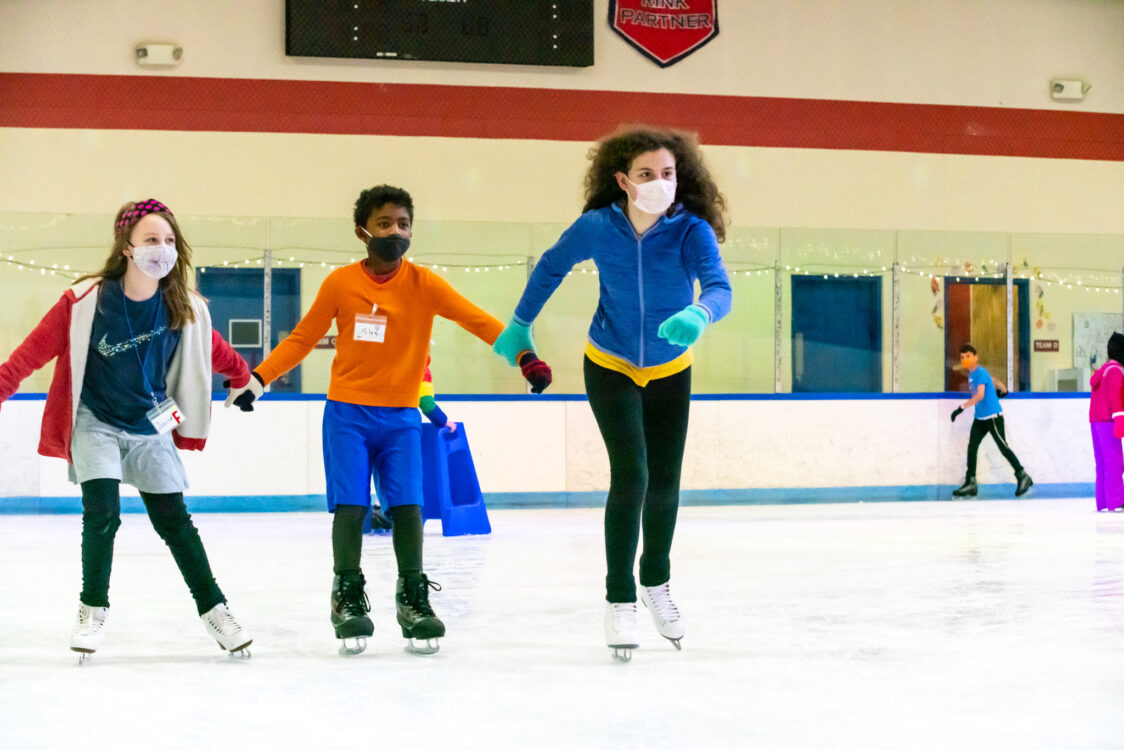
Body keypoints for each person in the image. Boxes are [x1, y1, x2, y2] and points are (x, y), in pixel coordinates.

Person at [225, 185, 551, 655]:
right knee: (352, 505)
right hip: (348, 414)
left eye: (403, 224)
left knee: (408, 507)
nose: (395, 232)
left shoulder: (424, 284)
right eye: (384, 224)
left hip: (400, 416)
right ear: (362, 232)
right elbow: (301, 338)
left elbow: (477, 321)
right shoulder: (340, 283)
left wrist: (524, 356)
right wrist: (258, 378)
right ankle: (347, 594)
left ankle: (412, 596)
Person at [492, 125, 732, 661]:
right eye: (646, 175)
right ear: (623, 180)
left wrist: (700, 312)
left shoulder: (690, 230)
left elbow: (719, 287)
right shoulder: (598, 227)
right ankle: (620, 597)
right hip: (610, 361)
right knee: (633, 475)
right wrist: (521, 323)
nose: (659, 183)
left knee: (666, 481)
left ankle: (656, 584)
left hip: (671, 366)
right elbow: (553, 264)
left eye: (667, 174)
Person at [0, 199, 255, 663]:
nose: (162, 250)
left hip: (151, 424)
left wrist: (244, 379)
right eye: (151, 240)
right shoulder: (85, 301)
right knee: (102, 514)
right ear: (127, 248)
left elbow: (216, 351)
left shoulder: (185, 306)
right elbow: (29, 354)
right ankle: (92, 609)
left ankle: (215, 609)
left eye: (170, 241)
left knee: (174, 520)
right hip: (95, 422)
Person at [950, 343, 1033, 498]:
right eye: (962, 357)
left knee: (1003, 447)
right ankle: (971, 482)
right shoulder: (974, 374)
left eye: (968, 356)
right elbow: (993, 380)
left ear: (975, 357)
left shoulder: (979, 372)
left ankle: (1022, 475)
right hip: (980, 417)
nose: (965, 359)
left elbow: (980, 395)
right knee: (972, 447)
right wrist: (1004, 389)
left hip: (992, 417)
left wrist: (961, 408)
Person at [1089, 332, 1124, 512]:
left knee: (1102, 462)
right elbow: (1115, 397)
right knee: (1115, 462)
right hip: (1108, 421)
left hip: (1095, 421)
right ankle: (1117, 501)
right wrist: (1120, 420)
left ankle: (1103, 501)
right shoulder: (1116, 371)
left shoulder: (1103, 370)